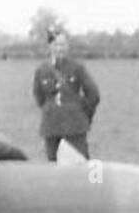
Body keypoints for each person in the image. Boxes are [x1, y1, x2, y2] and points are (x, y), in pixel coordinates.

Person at [32, 29, 100, 161]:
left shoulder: (77, 68)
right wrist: (51, 110)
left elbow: (93, 94)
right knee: (54, 169)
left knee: (81, 167)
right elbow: (39, 97)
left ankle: (89, 183)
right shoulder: (41, 70)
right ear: (50, 46)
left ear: (67, 46)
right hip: (51, 127)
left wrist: (84, 114)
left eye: (63, 45)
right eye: (56, 45)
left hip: (75, 126)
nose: (60, 48)